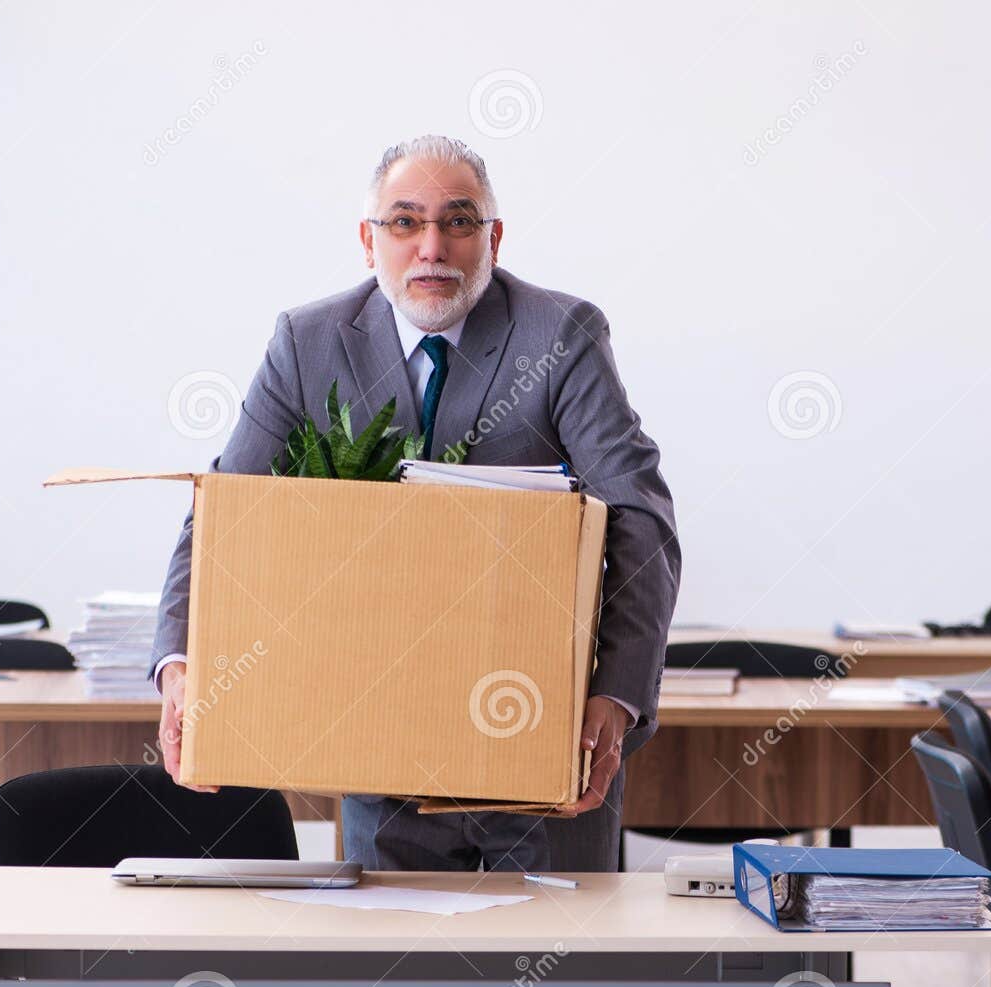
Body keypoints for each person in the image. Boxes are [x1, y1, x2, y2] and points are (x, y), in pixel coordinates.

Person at [148, 134, 680, 872]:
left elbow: (639, 518)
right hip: (378, 740)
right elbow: (225, 514)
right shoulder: (307, 342)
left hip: (541, 734)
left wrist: (614, 701)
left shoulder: (559, 334)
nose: (432, 247)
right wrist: (181, 663)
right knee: (396, 973)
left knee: (561, 975)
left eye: (458, 222)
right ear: (369, 242)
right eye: (404, 222)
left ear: (492, 237)